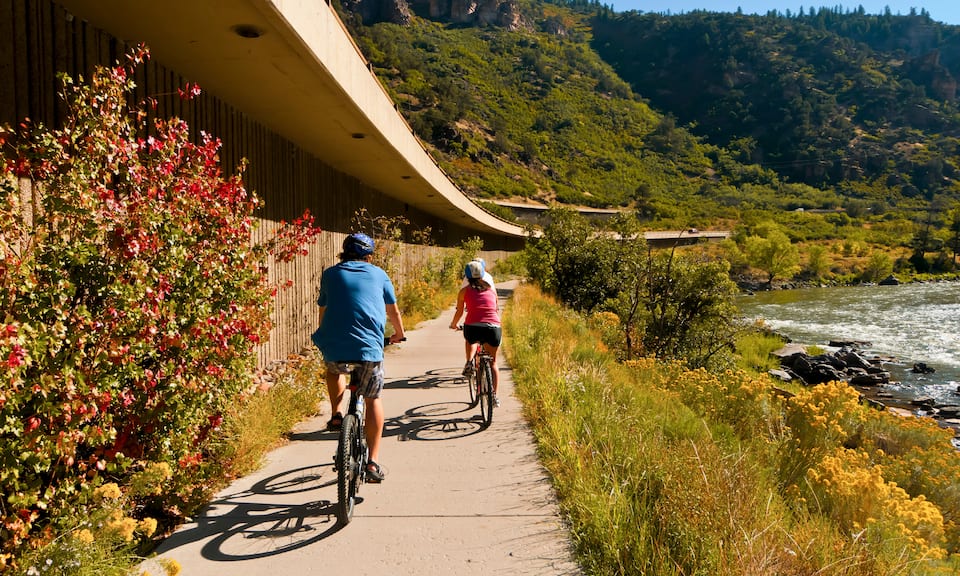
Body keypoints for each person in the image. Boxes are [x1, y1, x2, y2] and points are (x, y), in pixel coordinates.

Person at [311, 232, 405, 483]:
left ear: (344, 252)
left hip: (334, 345)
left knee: (334, 370)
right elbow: (392, 310)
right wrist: (400, 333)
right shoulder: (379, 274)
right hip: (368, 348)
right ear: (369, 255)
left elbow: (324, 308)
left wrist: (326, 335)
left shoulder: (330, 274)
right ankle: (372, 463)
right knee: (373, 398)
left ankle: (336, 414)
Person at [449, 259, 501, 407]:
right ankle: (494, 397)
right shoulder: (491, 289)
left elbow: (459, 312)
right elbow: (495, 308)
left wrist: (454, 324)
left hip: (473, 327)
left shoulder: (464, 291)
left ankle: (469, 362)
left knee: (470, 339)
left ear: (466, 275)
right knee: (493, 363)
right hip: (493, 328)